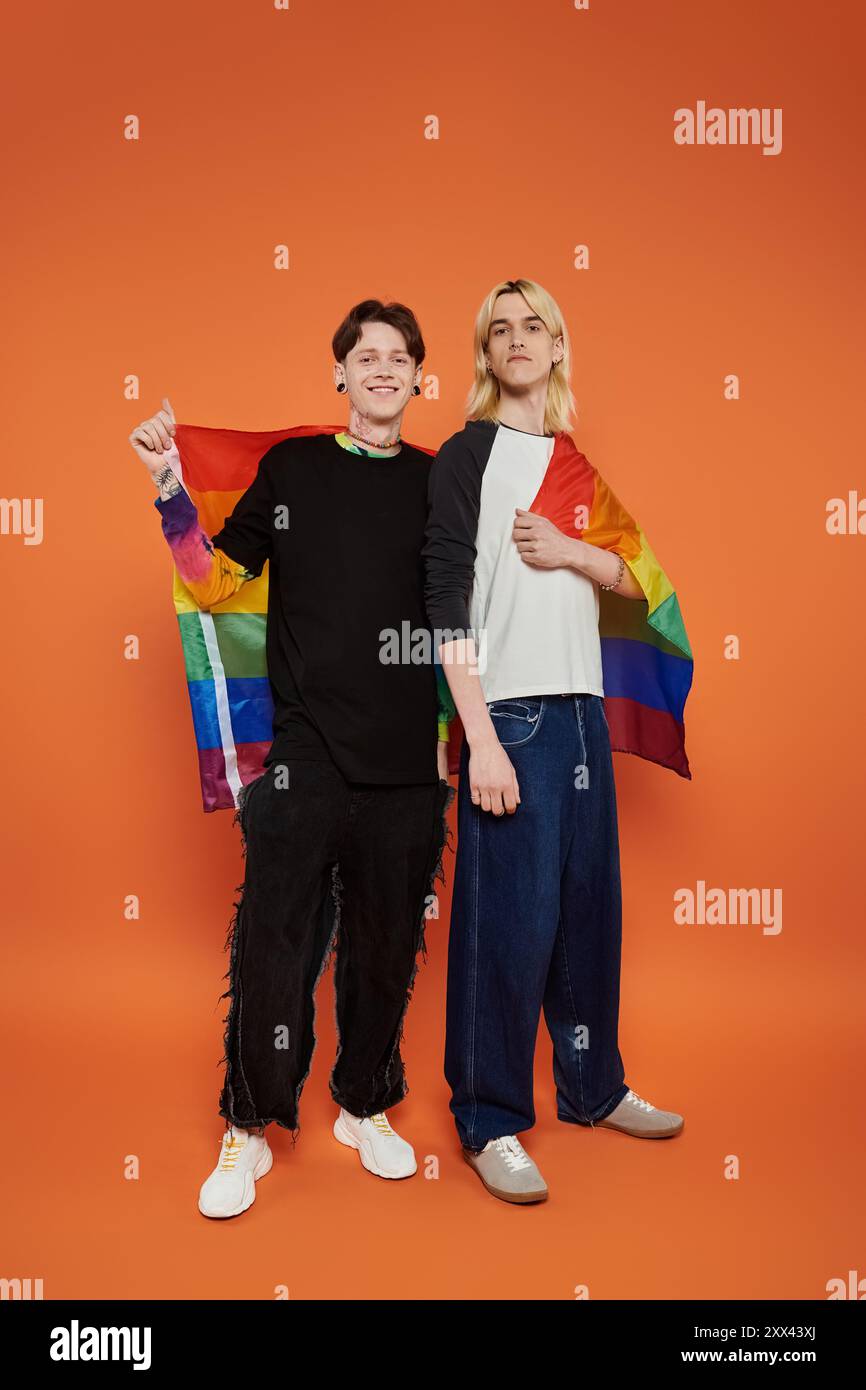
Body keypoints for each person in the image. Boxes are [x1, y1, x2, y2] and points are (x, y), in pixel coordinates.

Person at [129, 299, 455, 1219]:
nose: (383, 369)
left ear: (418, 378)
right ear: (340, 376)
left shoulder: (438, 484)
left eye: (400, 357)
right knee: (277, 945)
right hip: (302, 752)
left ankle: (364, 1103)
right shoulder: (293, 469)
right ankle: (248, 1125)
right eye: (366, 356)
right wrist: (167, 487)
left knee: (386, 947)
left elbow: (462, 613)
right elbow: (213, 581)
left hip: (406, 762)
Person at [423, 278, 689, 1205]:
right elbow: (443, 602)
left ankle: (594, 1087)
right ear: (487, 358)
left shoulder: (572, 463)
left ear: (557, 345)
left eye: (533, 325)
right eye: (500, 331)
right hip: (516, 715)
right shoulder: (467, 457)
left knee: (587, 916)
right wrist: (478, 735)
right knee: (507, 926)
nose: (517, 340)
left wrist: (572, 552)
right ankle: (490, 1118)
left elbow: (639, 574)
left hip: (581, 710)